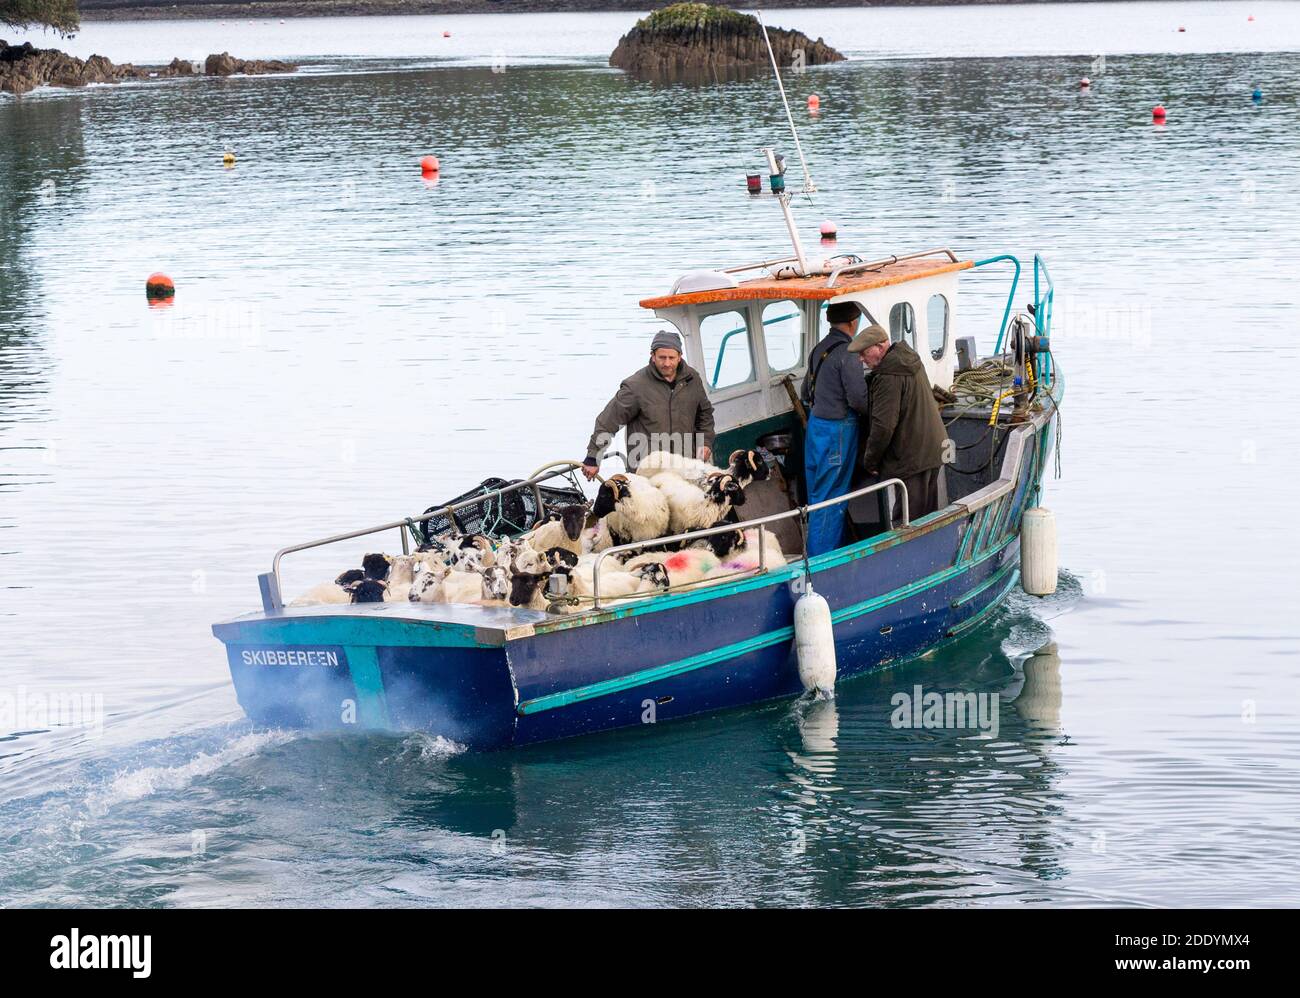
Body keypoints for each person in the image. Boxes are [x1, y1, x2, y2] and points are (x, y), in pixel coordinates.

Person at [847, 323, 948, 521]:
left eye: (863, 353)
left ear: (880, 347)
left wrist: (871, 461)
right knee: (927, 513)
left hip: (911, 457)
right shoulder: (909, 360)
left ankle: (913, 551)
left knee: (908, 520)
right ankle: (929, 550)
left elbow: (883, 426)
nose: (860, 359)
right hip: (933, 449)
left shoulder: (888, 376)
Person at [582, 330, 715, 479]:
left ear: (679, 357)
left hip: (685, 466)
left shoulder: (692, 379)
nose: (667, 363)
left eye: (671, 358)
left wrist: (705, 442)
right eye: (661, 358)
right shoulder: (635, 386)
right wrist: (593, 457)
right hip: (648, 471)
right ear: (652, 356)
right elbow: (607, 422)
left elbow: (705, 414)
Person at [801, 302, 871, 555]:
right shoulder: (849, 352)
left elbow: (805, 392)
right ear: (854, 322)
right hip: (838, 432)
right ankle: (823, 562)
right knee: (832, 498)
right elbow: (857, 399)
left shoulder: (818, 349)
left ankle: (820, 551)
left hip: (816, 429)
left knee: (818, 495)